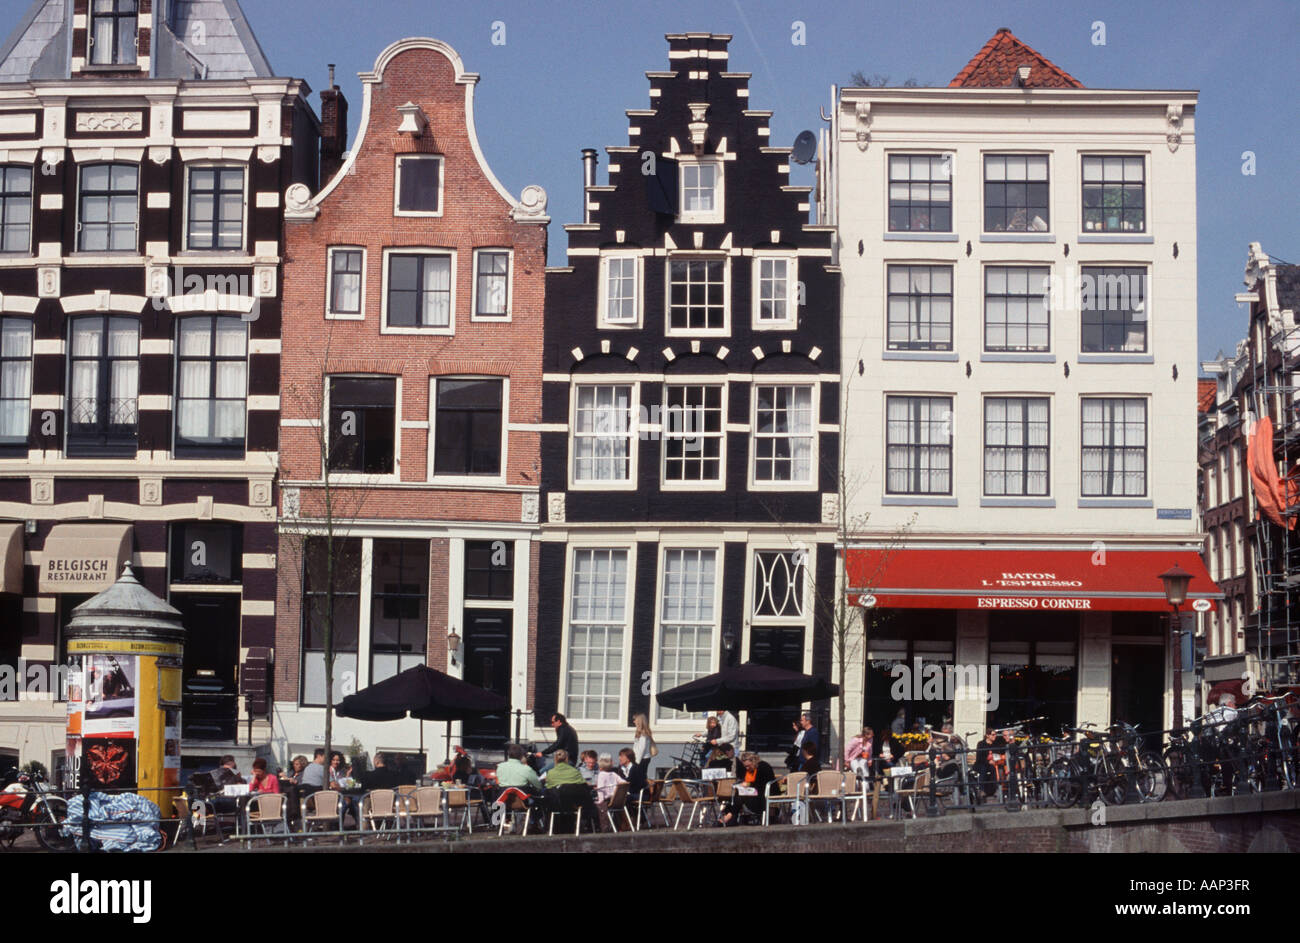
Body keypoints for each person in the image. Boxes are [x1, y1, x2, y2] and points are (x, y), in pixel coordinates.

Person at [542, 749, 597, 831]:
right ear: (567, 759)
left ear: (555, 759)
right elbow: (584, 786)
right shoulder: (575, 772)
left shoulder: (551, 773)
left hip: (557, 804)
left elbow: (548, 787)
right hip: (574, 803)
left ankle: (548, 827)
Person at [717, 752, 776, 827]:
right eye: (745, 766)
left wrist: (748, 785)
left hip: (764, 795)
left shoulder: (763, 767)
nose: (747, 768)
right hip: (753, 794)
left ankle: (729, 817)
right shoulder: (749, 770)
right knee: (737, 794)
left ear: (753, 761)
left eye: (748, 766)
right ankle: (730, 816)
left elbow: (761, 784)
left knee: (740, 797)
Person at [593, 754, 623, 830]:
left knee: (593, 805)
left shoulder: (601, 775)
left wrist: (600, 800)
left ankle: (599, 827)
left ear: (600, 766)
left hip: (607, 800)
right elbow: (624, 782)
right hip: (616, 799)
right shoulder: (614, 774)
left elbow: (600, 790)